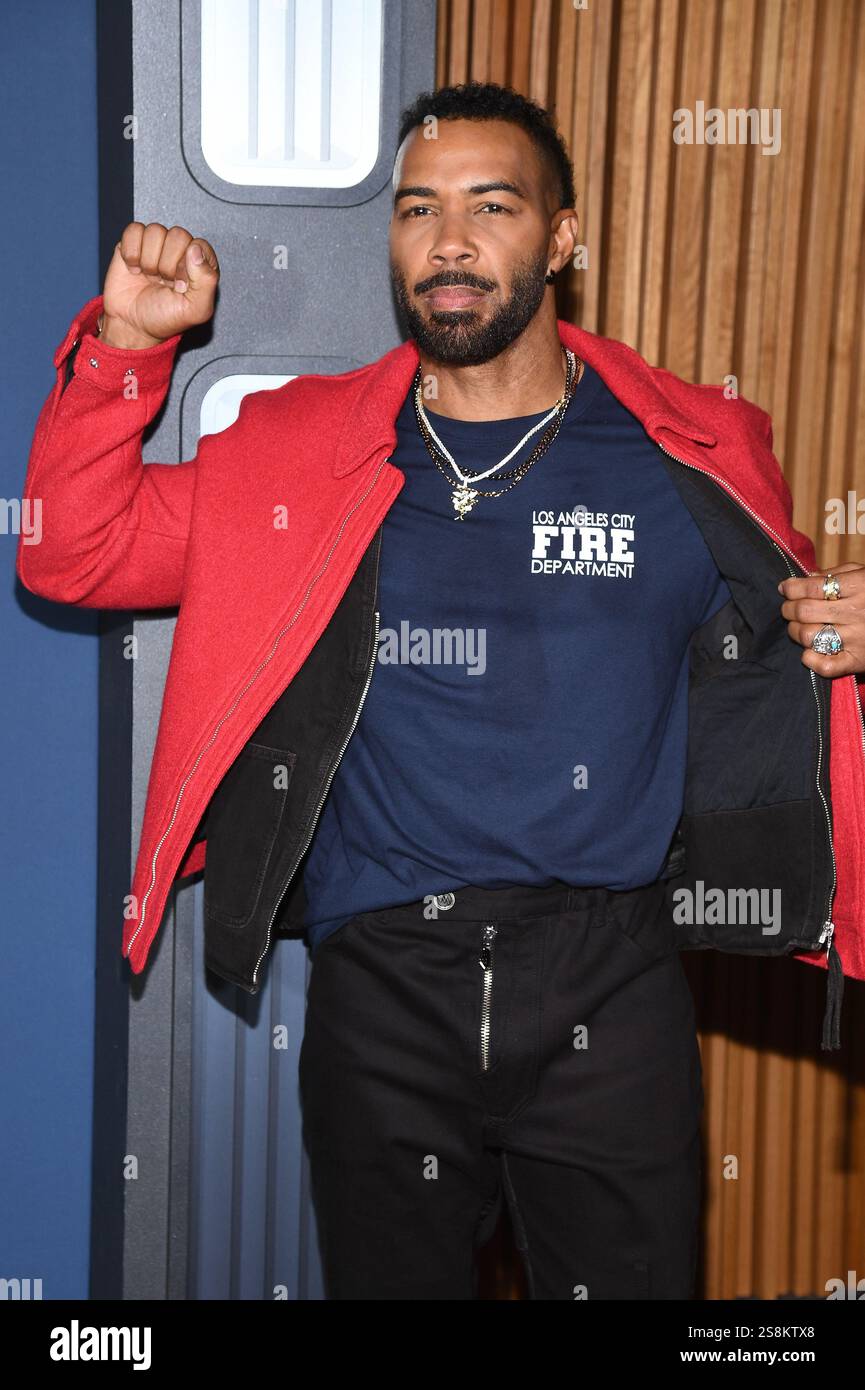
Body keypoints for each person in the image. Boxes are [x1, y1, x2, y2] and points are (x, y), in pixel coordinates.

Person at [18, 81, 865, 1300]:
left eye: (492, 205)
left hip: (611, 983)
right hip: (384, 987)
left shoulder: (686, 455)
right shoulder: (301, 456)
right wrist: (126, 353)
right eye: (419, 208)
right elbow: (71, 549)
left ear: (561, 240)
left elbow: (799, 643)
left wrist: (843, 632)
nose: (450, 242)